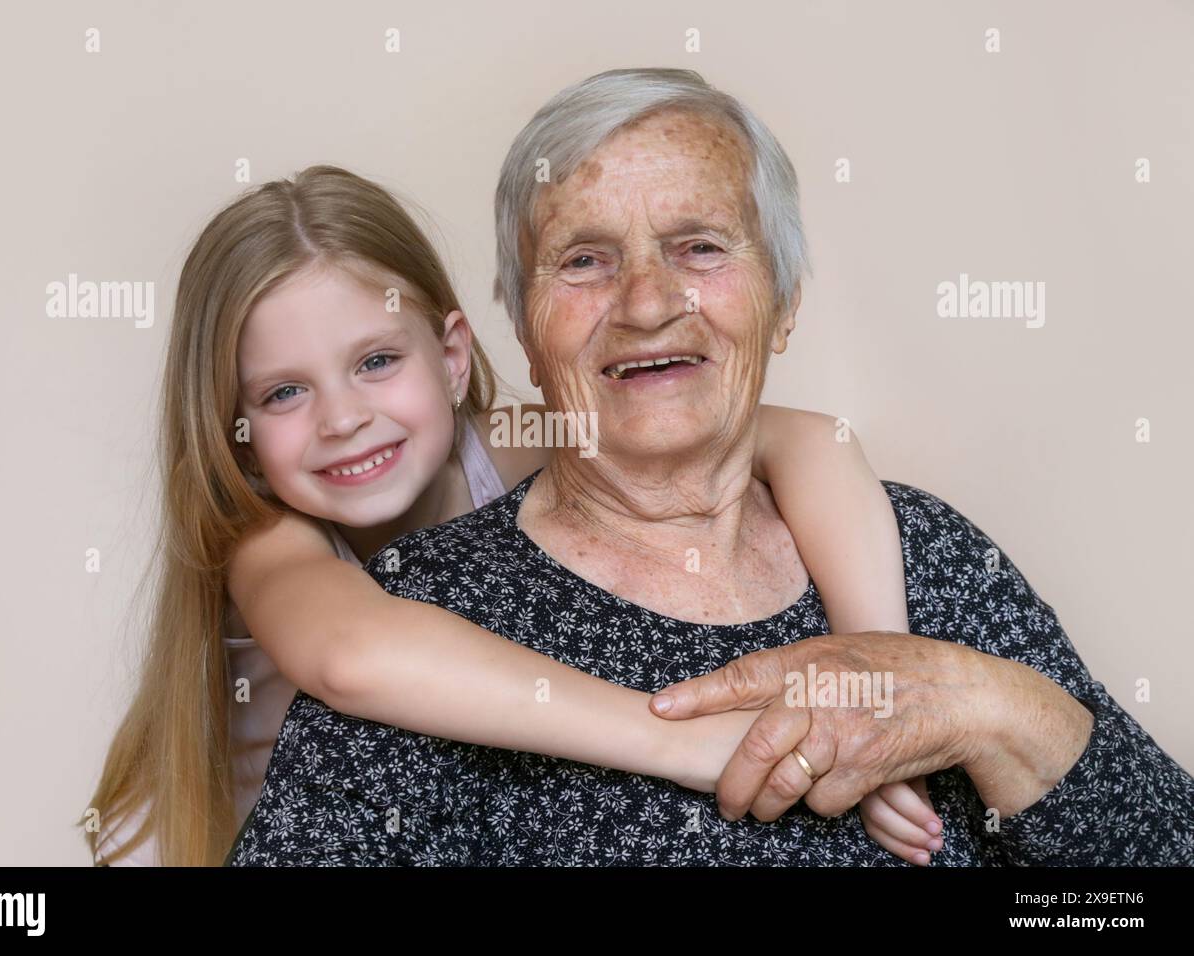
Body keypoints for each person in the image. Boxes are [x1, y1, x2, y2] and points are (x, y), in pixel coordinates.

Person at [228, 67, 1194, 866]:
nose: (648, 303)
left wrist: (995, 708)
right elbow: (347, 655)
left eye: (699, 247)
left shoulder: (924, 557)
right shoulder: (421, 622)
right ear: (519, 330)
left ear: (782, 301)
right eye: (584, 262)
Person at [87, 162, 934, 867]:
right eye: (284, 393)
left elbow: (810, 442)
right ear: (234, 432)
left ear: (453, 357)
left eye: (377, 361)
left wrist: (882, 702)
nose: (342, 418)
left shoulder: (518, 446)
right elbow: (354, 656)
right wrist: (680, 742)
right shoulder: (265, 536)